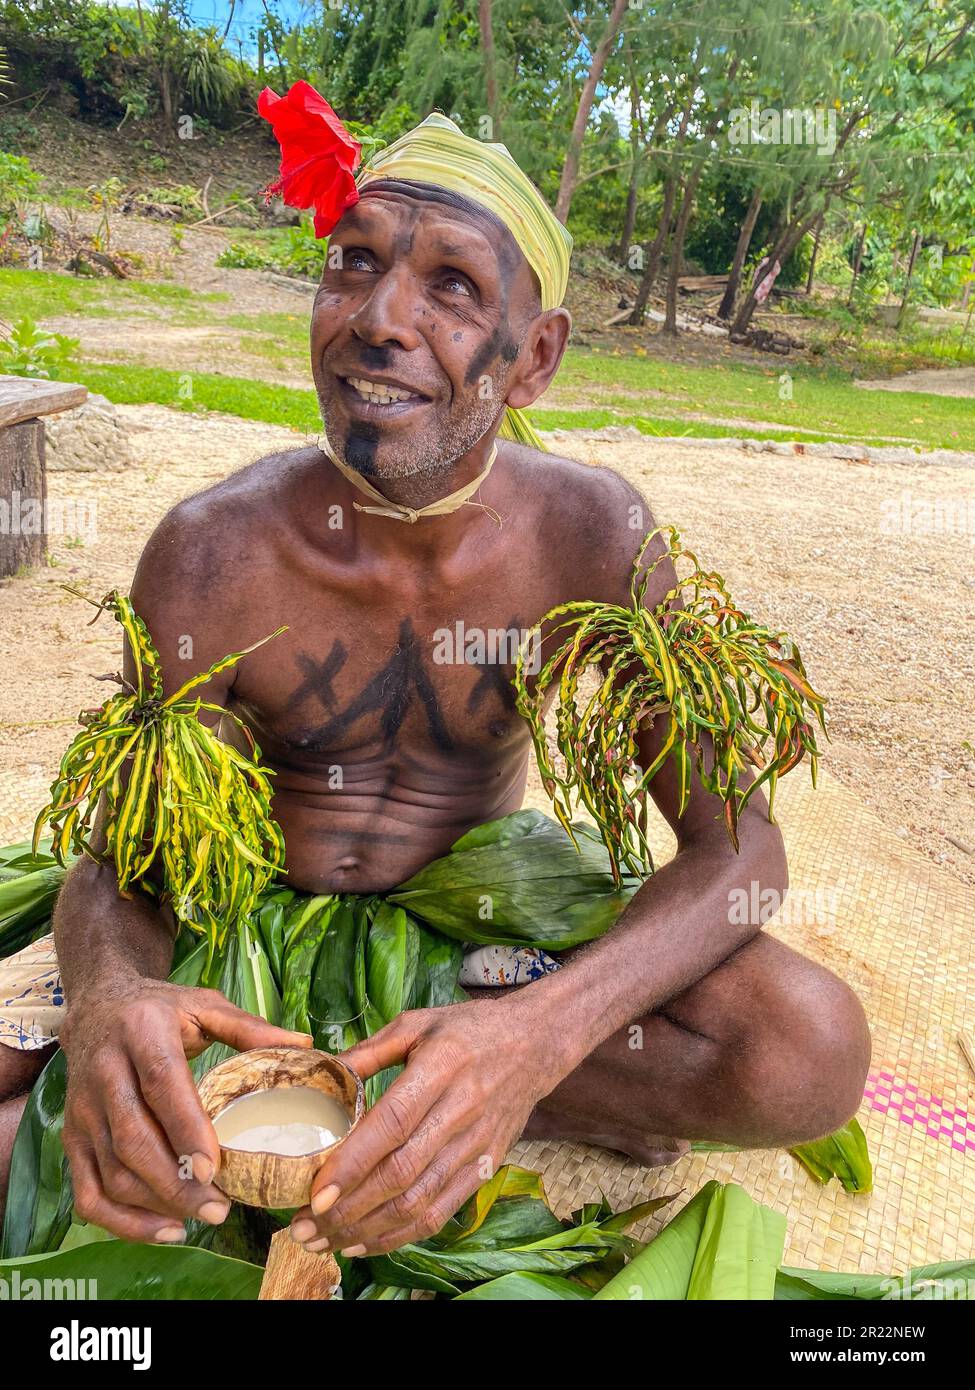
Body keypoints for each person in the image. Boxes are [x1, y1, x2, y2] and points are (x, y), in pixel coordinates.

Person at [0, 90, 869, 1259]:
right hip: (243, 951)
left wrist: (538, 1039)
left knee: (812, 1047)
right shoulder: (210, 551)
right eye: (353, 264)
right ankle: (343, 1089)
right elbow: (125, 865)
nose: (381, 318)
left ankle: (491, 1086)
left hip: (480, 952)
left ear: (536, 358)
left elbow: (742, 851)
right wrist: (111, 999)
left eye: (453, 286)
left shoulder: (594, 538)